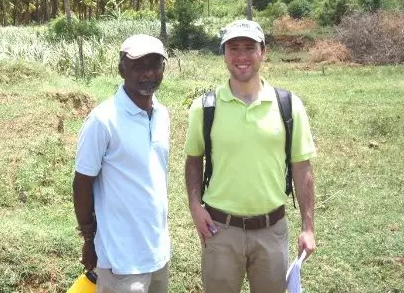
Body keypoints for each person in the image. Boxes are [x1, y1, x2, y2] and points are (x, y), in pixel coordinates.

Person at [184, 20, 316, 293]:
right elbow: (194, 160)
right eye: (233, 48)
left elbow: (302, 168)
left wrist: (308, 227)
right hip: (220, 230)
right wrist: (195, 207)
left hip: (272, 229)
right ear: (224, 55)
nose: (241, 56)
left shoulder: (289, 105)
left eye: (249, 48)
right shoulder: (205, 107)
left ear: (263, 52)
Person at [73, 34, 170, 293]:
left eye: (155, 65)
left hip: (158, 254)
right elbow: (82, 183)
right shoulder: (103, 120)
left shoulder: (162, 115)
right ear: (121, 69)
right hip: (120, 260)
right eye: (139, 66)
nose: (148, 73)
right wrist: (88, 239)